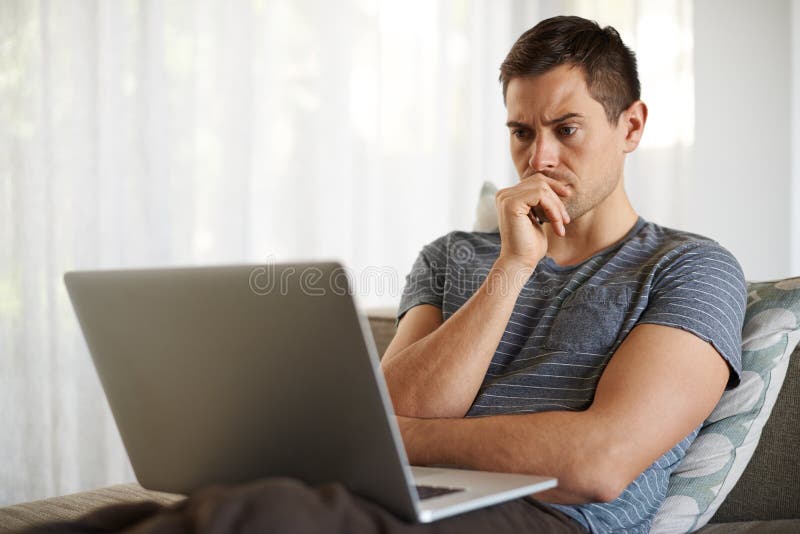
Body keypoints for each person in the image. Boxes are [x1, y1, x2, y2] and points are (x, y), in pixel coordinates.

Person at [33, 15, 745, 534]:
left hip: (545, 518)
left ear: (631, 126)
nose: (540, 159)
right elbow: (402, 400)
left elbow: (599, 463)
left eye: (567, 128)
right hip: (414, 492)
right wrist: (511, 269)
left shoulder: (691, 268)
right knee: (118, 518)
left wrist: (393, 442)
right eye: (522, 132)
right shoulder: (454, 256)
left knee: (267, 516)